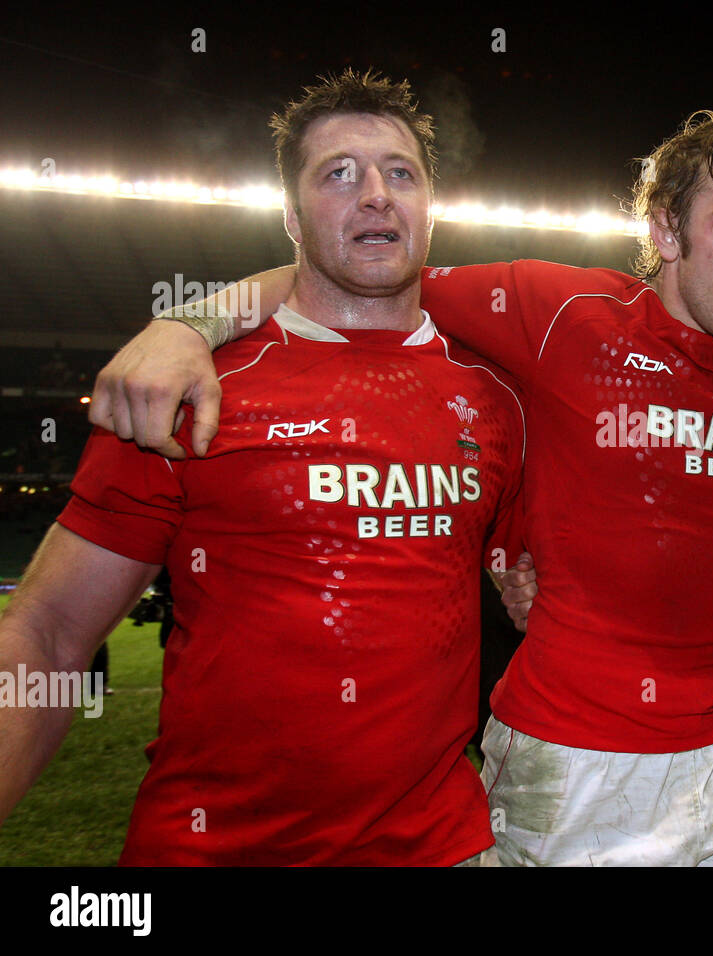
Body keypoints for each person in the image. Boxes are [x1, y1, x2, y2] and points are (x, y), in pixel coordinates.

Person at [87, 111, 713, 865]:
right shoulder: (554, 309)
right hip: (573, 759)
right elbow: (355, 277)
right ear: (665, 230)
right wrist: (192, 321)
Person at [0, 70, 525, 866]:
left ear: (429, 208)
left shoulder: (494, 396)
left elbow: (548, 574)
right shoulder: (186, 385)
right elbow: (49, 631)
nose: (376, 193)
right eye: (338, 173)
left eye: (401, 172)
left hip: (442, 848)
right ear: (289, 216)